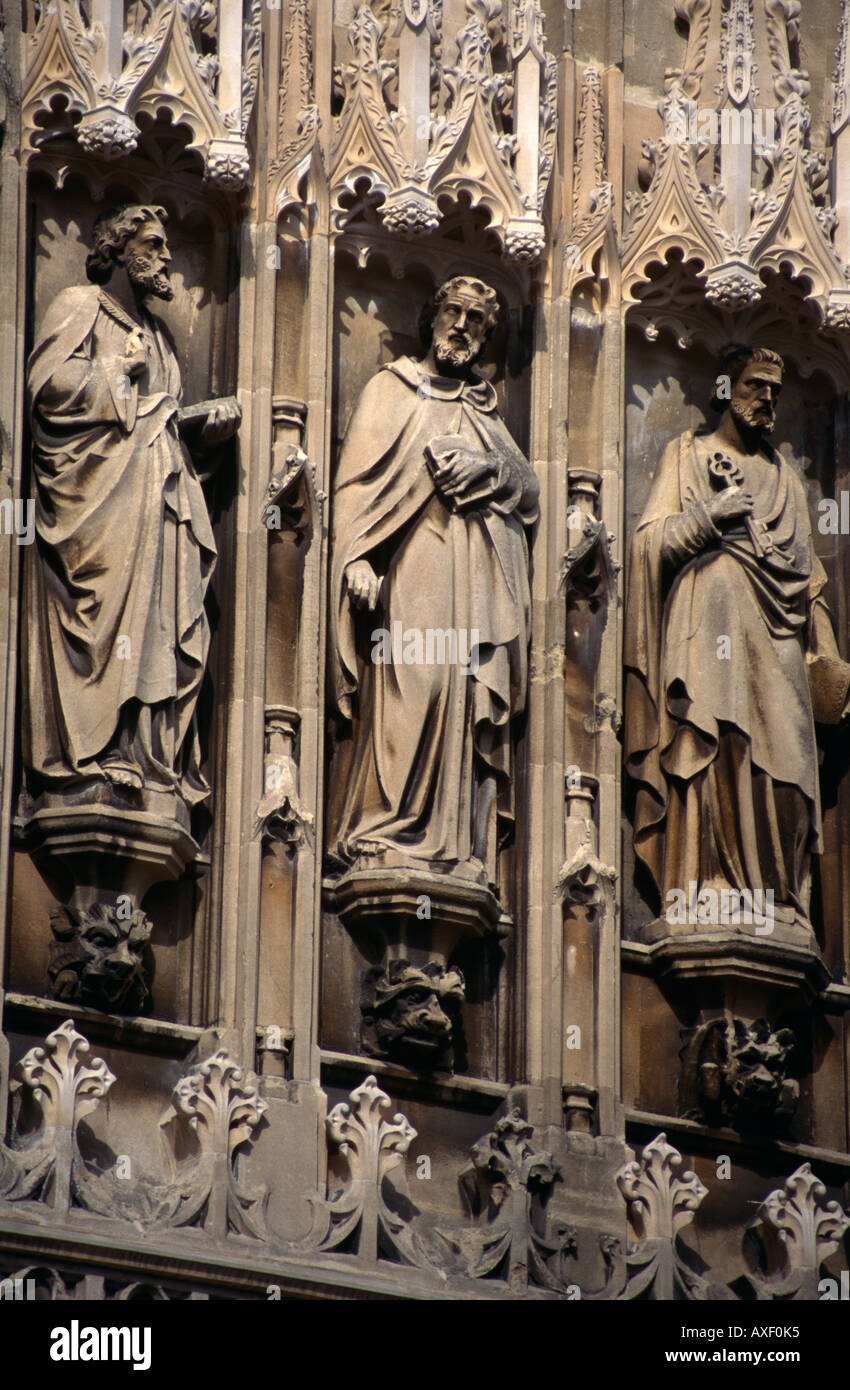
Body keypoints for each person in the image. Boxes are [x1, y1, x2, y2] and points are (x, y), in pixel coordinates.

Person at [625, 346, 850, 934]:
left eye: (775, 390)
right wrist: (712, 516)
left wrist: (826, 656)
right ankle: (708, 888)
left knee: (790, 769)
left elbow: (810, 586)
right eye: (755, 385)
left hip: (778, 642)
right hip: (710, 625)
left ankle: (778, 900)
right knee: (719, 743)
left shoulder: (785, 480)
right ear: (727, 387)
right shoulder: (689, 455)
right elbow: (650, 545)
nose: (767, 399)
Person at [23, 204, 240, 808]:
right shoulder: (80, 306)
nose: (167, 256)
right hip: (100, 510)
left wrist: (200, 429)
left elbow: (159, 423)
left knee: (158, 625)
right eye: (153, 243)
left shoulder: (162, 337)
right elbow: (48, 392)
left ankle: (148, 754)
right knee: (105, 621)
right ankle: (94, 752)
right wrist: (120, 372)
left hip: (160, 503)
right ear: (119, 250)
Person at [328, 275, 539, 886]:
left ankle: (449, 846)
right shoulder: (391, 390)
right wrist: (356, 561)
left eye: (479, 321)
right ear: (431, 316)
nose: (464, 328)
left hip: (471, 581)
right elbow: (354, 492)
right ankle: (382, 829)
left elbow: (529, 489)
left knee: (457, 697)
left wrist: (490, 468)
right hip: (411, 570)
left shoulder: (483, 409)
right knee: (409, 691)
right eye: (455, 312)